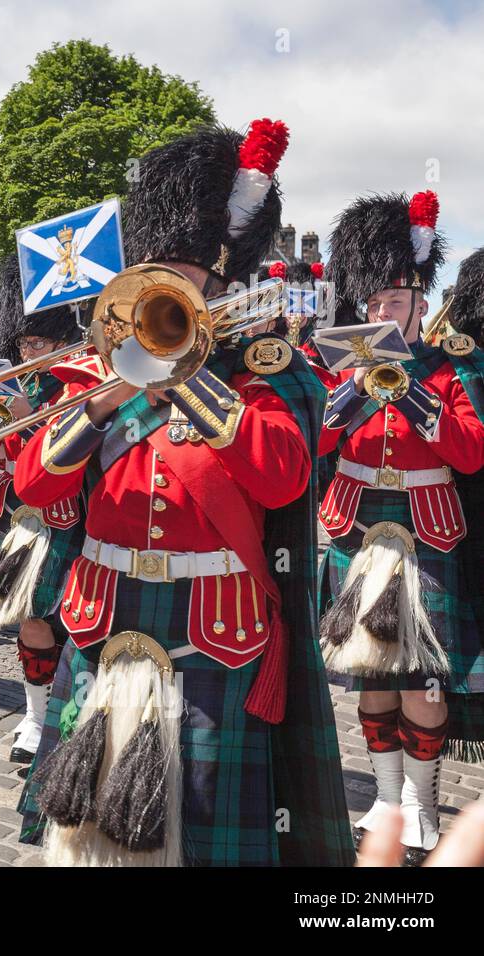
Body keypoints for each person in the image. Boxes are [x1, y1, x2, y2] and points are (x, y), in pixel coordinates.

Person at [13, 119, 353, 866]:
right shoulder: (99, 372)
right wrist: (102, 397)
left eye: (184, 275)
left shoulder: (263, 370)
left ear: (222, 281)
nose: (161, 291)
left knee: (196, 837)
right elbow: (34, 483)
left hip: (214, 634)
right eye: (154, 271)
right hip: (103, 618)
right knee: (88, 828)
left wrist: (188, 375)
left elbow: (284, 475)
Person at [317, 194, 484, 865]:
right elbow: (313, 442)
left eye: (396, 300)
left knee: (424, 682)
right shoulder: (340, 365)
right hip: (360, 531)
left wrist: (411, 394)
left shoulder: (451, 370)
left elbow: (471, 452)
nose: (383, 312)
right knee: (374, 677)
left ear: (421, 303)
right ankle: (386, 796)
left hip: (429, 531)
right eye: (375, 300)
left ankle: (420, 798)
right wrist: (354, 387)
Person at [0, 253, 98, 767]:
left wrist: (30, 421)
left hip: (69, 517)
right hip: (17, 517)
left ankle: (74, 719)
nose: (26, 351)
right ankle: (36, 717)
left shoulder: (83, 382)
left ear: (63, 341)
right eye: (21, 342)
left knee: (77, 624)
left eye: (36, 343)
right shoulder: (14, 381)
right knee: (33, 622)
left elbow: (73, 454)